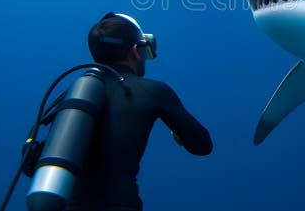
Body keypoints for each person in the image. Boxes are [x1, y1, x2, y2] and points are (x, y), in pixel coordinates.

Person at [65, 12, 213, 211]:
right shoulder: (153, 91)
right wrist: (180, 134)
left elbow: (32, 163)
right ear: (136, 51)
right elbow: (202, 145)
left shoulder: (72, 95)